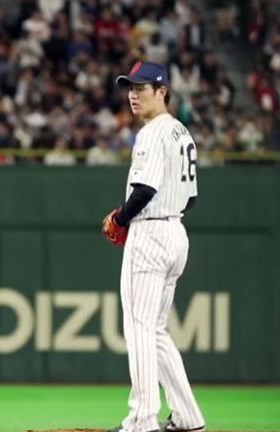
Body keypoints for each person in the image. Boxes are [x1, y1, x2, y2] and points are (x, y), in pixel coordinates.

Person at [101, 61, 205, 432]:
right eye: (130, 87)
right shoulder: (182, 133)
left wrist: (120, 218)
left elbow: (144, 191)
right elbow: (190, 198)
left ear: (162, 91)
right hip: (176, 232)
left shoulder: (153, 132)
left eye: (142, 88)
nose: (133, 94)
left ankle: (141, 420)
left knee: (139, 327)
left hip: (150, 233)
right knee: (156, 330)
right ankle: (189, 417)